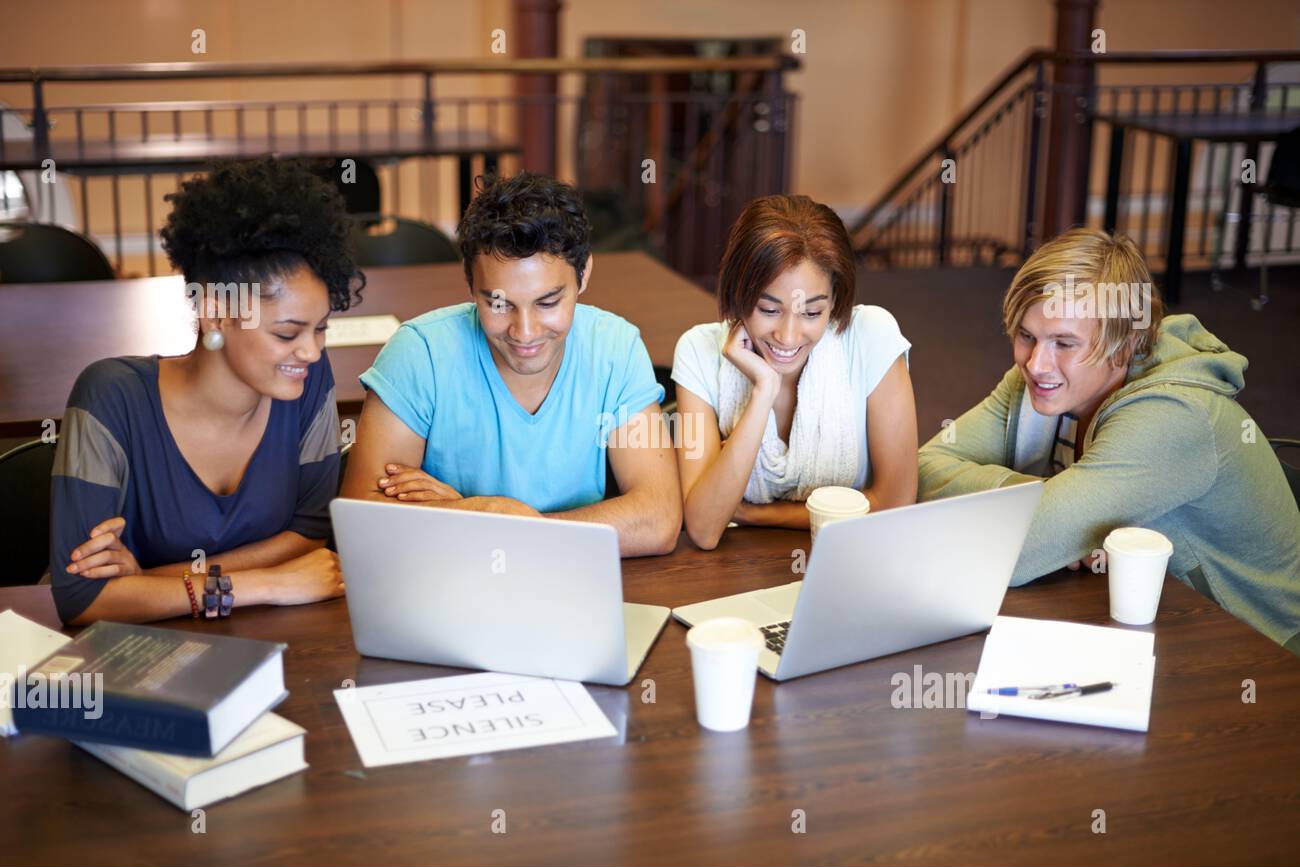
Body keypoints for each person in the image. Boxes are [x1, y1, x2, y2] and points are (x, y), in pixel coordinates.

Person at [917, 227, 1300, 651]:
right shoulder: (1044, 378)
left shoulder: (1174, 417)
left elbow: (1015, 553)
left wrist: (1054, 523)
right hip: (1159, 625)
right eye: (1026, 336)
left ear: (1125, 346)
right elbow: (924, 467)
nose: (1036, 363)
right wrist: (1045, 501)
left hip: (1261, 652)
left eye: (1064, 343)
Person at [50, 157, 361, 626]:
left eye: (320, 330)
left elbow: (311, 534)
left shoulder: (306, 381)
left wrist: (153, 582)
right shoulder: (110, 398)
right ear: (215, 313)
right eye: (287, 333)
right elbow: (81, 598)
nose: (311, 352)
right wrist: (267, 583)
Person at [340, 171, 682, 556]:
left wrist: (480, 517)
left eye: (548, 303)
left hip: (570, 587)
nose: (524, 332)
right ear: (470, 284)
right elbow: (364, 526)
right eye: (498, 304)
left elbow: (658, 520)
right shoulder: (419, 354)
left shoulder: (615, 347)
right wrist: (491, 515)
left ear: (583, 274)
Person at [670, 194, 917, 550]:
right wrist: (763, 391)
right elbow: (706, 528)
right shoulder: (698, 352)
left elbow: (894, 504)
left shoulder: (870, 337)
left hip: (848, 566)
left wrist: (754, 514)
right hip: (735, 578)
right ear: (739, 294)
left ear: (835, 301)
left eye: (812, 313)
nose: (787, 336)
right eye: (769, 309)